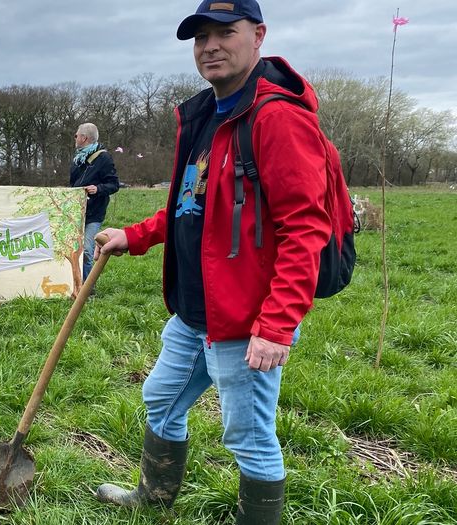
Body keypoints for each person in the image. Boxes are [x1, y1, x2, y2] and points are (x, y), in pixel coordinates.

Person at [93, 1, 334, 523]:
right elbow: (192, 208)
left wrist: (276, 324)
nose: (211, 46)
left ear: (259, 35)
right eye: (201, 37)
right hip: (196, 308)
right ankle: (153, 497)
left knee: (247, 434)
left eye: (226, 32)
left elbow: (305, 228)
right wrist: (132, 236)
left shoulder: (278, 120)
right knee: (161, 397)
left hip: (248, 317)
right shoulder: (205, 115)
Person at [69, 122, 119, 285]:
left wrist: (97, 189)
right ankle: (74, 284)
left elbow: (114, 184)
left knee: (87, 250)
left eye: (76, 135)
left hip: (94, 213)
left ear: (84, 138)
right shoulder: (77, 159)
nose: (75, 138)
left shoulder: (103, 158)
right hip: (76, 211)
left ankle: (88, 289)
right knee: (72, 250)